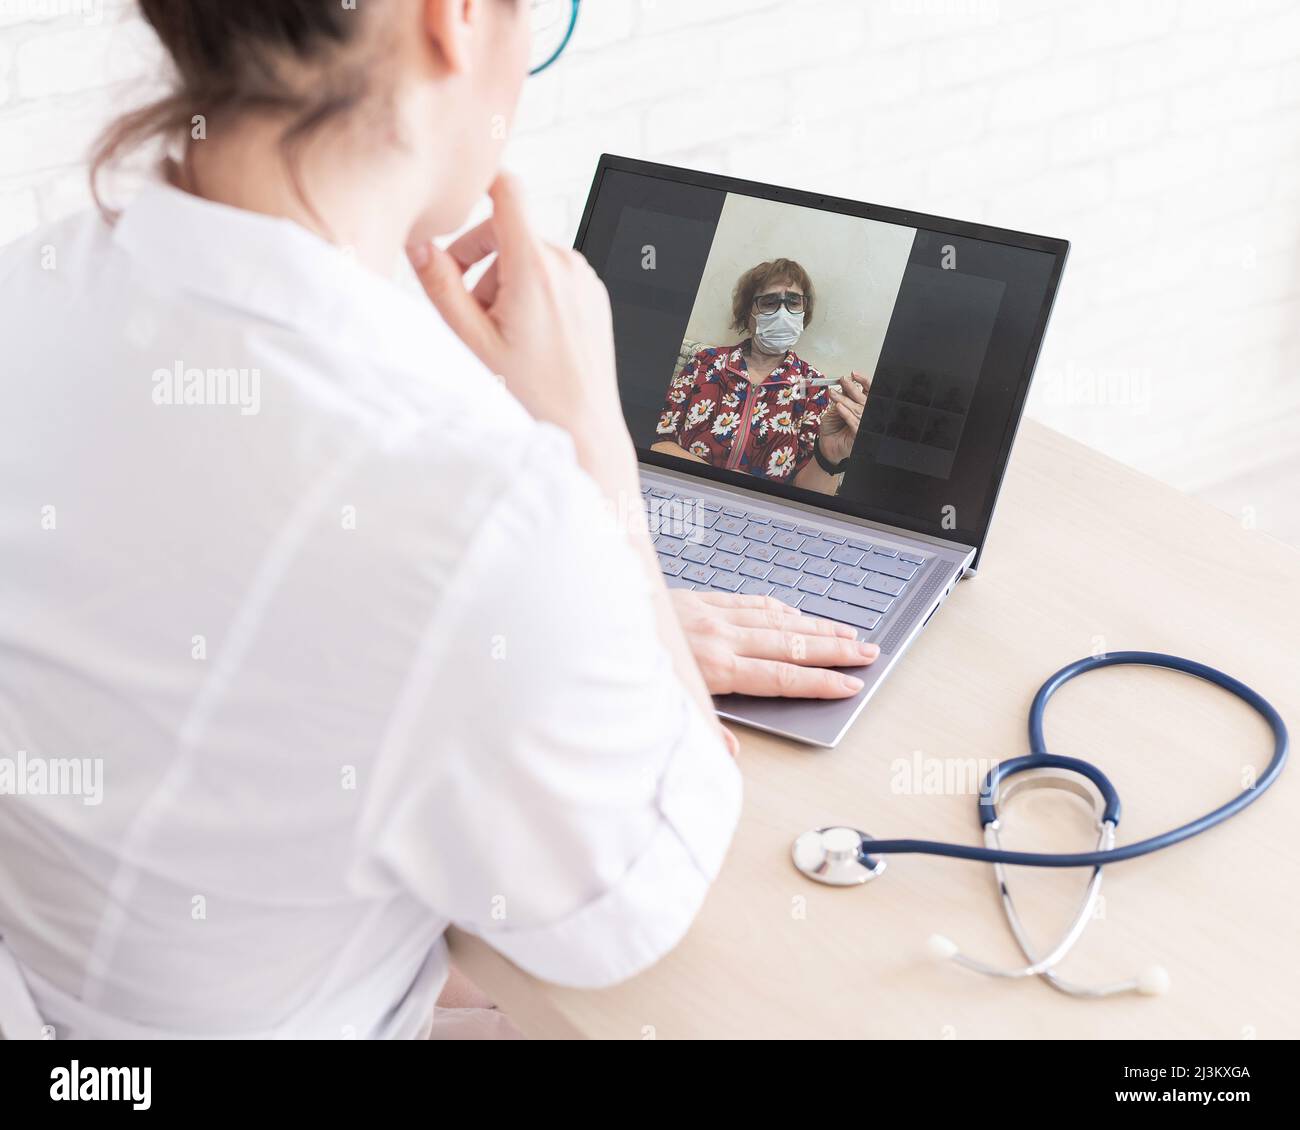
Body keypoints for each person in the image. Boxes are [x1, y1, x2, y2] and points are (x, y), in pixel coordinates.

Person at [0, 0, 880, 1040]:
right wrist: (588, 449)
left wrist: (544, 629)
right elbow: (637, 904)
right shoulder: (469, 506)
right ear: (455, 16)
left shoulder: (34, 284)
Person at [651, 259, 870, 494]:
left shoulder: (813, 385)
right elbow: (656, 441)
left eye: (793, 301)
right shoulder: (706, 363)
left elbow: (809, 495)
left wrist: (831, 456)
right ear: (748, 314)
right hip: (680, 493)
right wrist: (725, 484)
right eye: (769, 301)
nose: (783, 312)